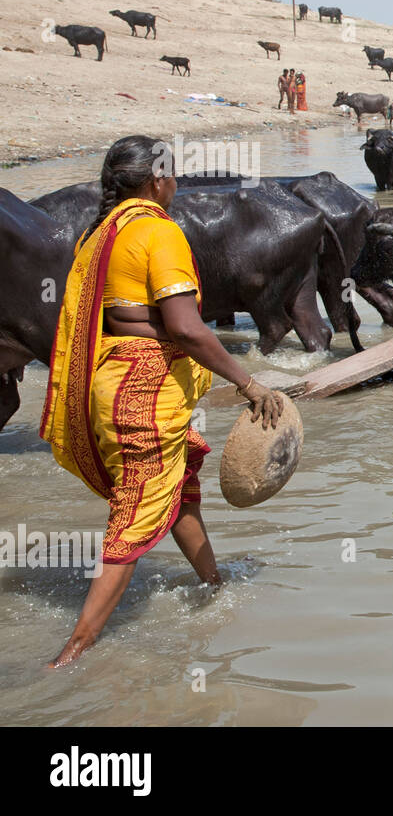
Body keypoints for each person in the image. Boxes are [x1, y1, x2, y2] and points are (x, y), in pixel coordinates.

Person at [40, 135, 283, 667]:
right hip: (146, 393)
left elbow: (117, 320)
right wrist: (249, 383)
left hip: (113, 382)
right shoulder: (158, 232)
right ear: (156, 181)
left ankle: (214, 584)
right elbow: (186, 329)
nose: (178, 184)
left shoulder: (100, 233)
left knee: (179, 492)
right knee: (131, 522)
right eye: (174, 174)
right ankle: (71, 656)